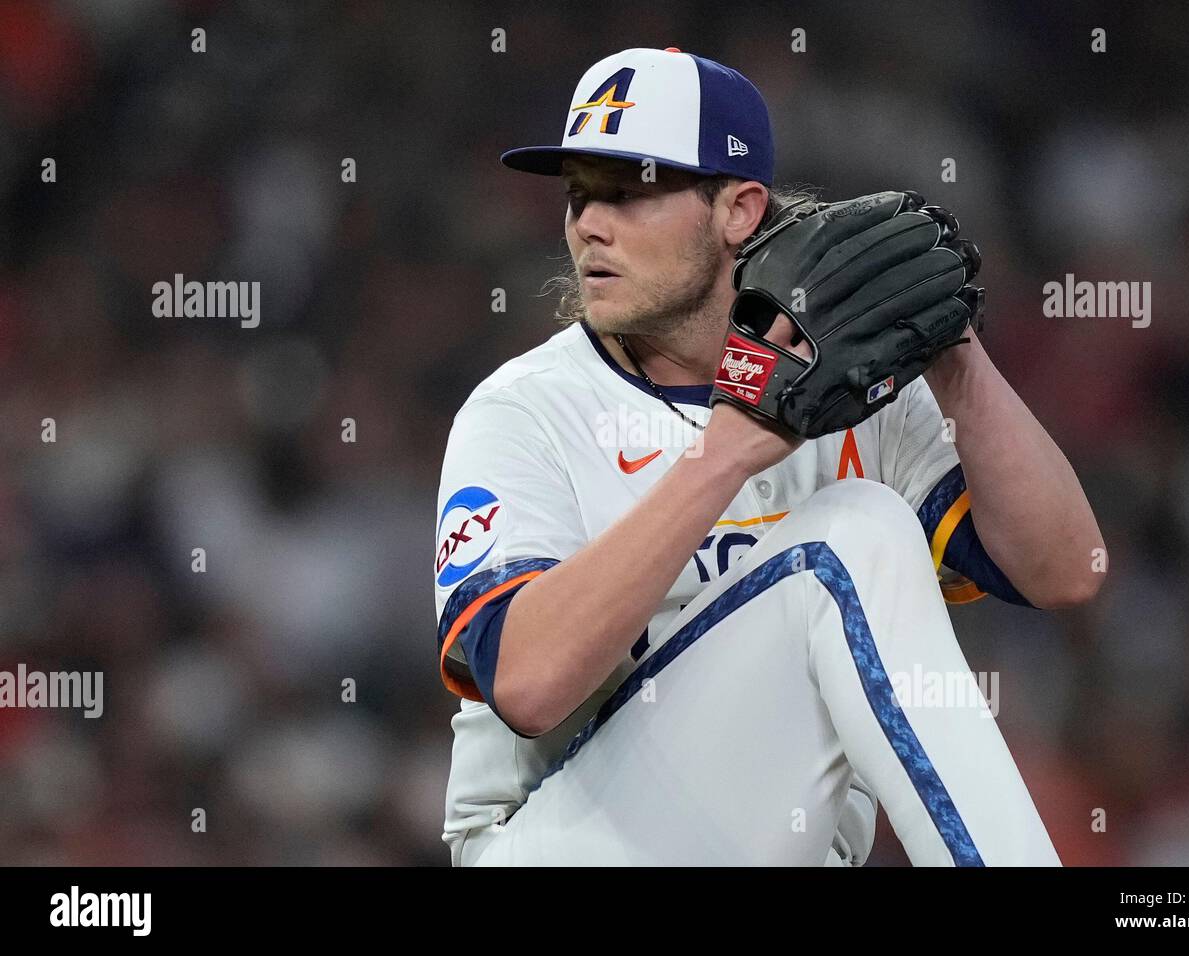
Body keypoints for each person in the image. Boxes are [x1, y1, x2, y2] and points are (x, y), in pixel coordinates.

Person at [435, 47, 1105, 866]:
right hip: (555, 838)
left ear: (740, 209)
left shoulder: (845, 383)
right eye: (579, 195)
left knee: (859, 529)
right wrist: (723, 459)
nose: (589, 224)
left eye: (628, 192)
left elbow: (1068, 571)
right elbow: (527, 688)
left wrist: (955, 355)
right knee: (848, 535)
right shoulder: (526, 409)